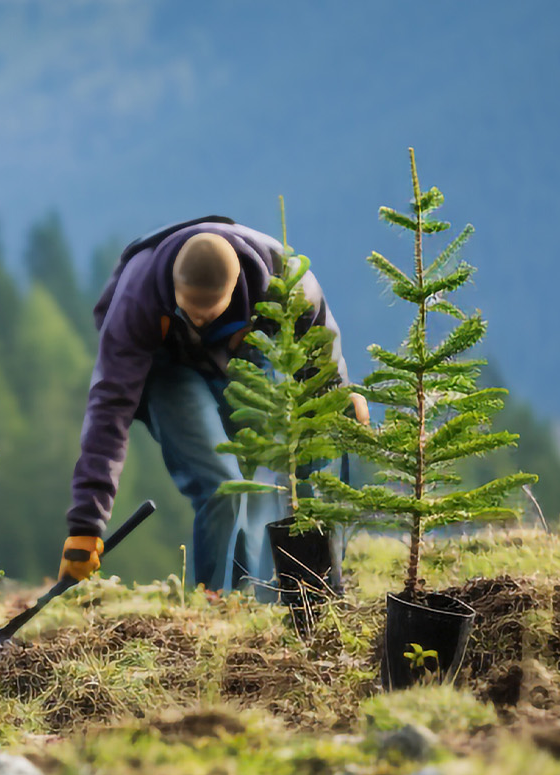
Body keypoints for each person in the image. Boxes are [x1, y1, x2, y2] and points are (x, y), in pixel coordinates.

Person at [59, 216, 368, 594]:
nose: (198, 320)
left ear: (234, 289)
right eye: (189, 311)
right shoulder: (138, 297)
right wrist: (86, 526)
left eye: (208, 313)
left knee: (272, 475)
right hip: (167, 368)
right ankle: (216, 600)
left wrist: (338, 396)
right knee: (222, 487)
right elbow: (109, 407)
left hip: (245, 352)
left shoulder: (287, 283)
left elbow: (321, 356)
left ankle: (296, 590)